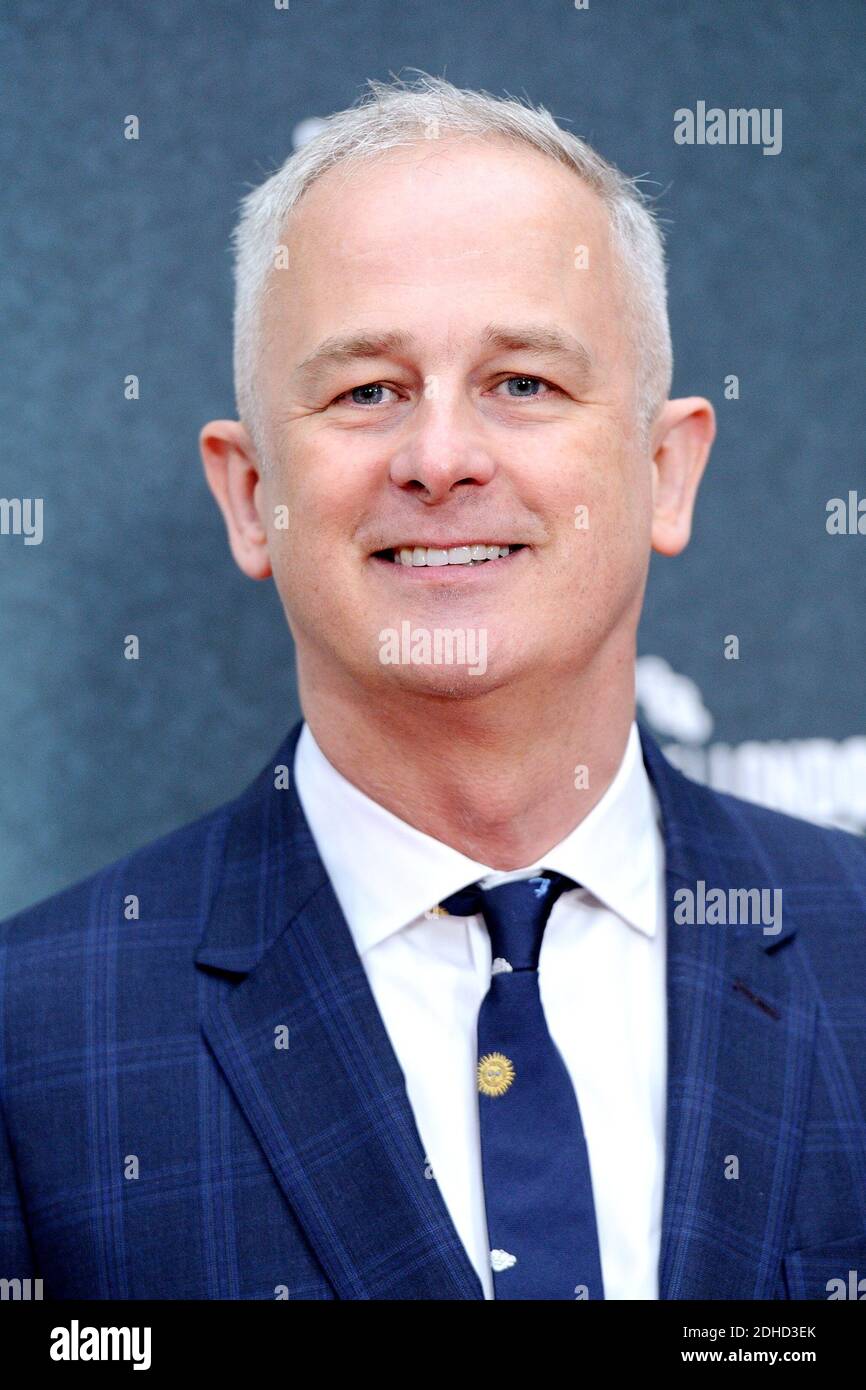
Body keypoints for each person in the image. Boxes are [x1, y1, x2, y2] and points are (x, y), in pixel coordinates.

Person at [2, 76, 865, 1302]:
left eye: (523, 382)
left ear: (664, 471)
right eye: (366, 391)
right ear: (251, 495)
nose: (442, 458)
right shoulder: (28, 1046)